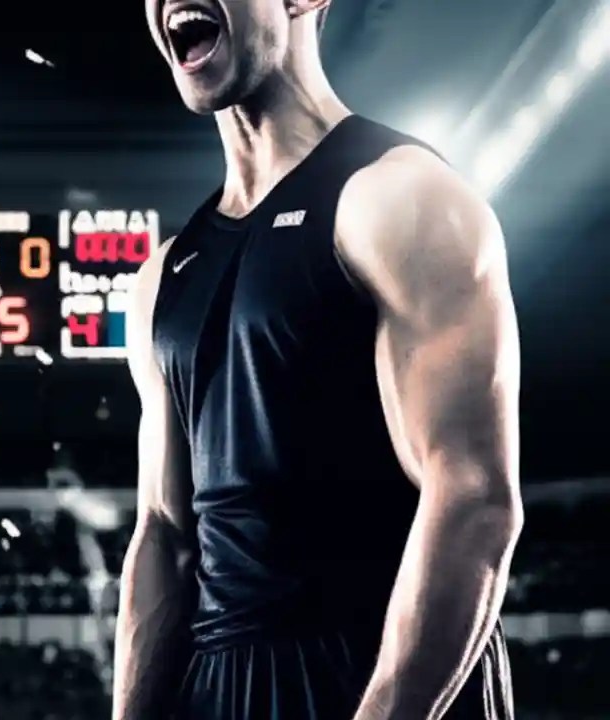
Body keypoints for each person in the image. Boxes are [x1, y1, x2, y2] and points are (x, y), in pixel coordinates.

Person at [112, 1, 522, 718]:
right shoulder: (162, 277)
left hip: (383, 673)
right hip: (222, 686)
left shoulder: (403, 197)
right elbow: (165, 533)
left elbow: (474, 502)